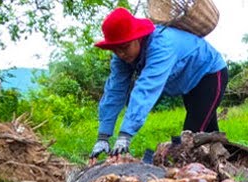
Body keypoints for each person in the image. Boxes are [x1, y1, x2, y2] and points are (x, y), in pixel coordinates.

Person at [90, 7, 228, 159]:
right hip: (187, 82)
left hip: (209, 73)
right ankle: (227, 158)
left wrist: (125, 135)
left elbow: (145, 89)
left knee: (190, 137)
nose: (121, 54)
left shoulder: (161, 45)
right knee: (206, 129)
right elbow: (114, 91)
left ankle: (200, 167)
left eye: (124, 47)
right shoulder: (121, 57)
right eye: (115, 50)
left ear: (137, 38)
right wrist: (103, 136)